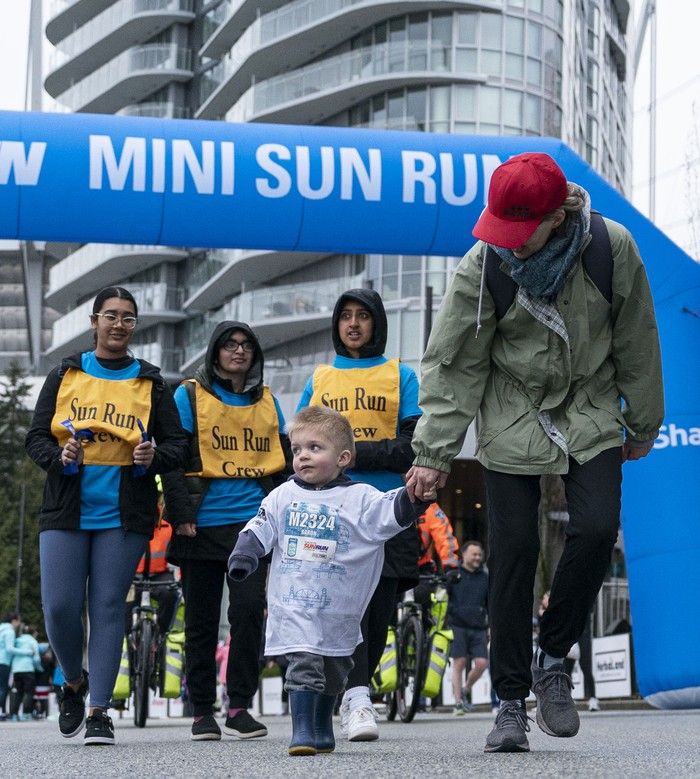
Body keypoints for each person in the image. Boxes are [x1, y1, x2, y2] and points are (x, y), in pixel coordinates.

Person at [406, 152, 664, 753]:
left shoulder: (609, 247)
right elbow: (454, 362)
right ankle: (508, 702)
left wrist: (644, 419)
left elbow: (637, 335)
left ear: (557, 216)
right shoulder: (486, 264)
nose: (509, 247)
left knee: (598, 530)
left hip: (590, 406)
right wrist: (434, 452)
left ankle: (554, 657)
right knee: (516, 550)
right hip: (510, 412)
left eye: (522, 235)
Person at [25, 285, 188, 746]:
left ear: (135, 326)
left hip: (126, 511)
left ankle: (99, 709)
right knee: (58, 607)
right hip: (66, 507)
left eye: (128, 318)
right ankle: (73, 682)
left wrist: (151, 456)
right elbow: (36, 438)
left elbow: (177, 448)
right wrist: (61, 456)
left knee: (108, 606)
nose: (119, 324)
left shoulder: (152, 382)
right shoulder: (65, 373)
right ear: (94, 321)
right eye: (111, 316)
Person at [227, 406, 432, 756]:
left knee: (335, 671)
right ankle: (302, 730)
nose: (303, 456)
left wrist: (413, 497)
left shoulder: (360, 498)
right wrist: (244, 555)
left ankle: (323, 728)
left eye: (314, 448)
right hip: (294, 605)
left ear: (344, 457)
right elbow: (260, 527)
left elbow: (389, 511)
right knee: (304, 665)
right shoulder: (282, 496)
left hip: (340, 610)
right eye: (297, 450)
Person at [297, 288, 421, 741]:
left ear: (377, 324)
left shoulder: (400, 375)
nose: (353, 324)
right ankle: (355, 698)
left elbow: (409, 447)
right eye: (345, 315)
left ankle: (355, 693)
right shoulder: (321, 377)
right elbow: (303, 447)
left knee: (380, 610)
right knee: (340, 610)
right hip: (329, 509)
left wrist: (345, 454)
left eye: (362, 316)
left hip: (385, 508)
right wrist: (339, 457)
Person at [163, 321, 290, 742]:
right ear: (215, 352)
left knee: (250, 613)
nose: (238, 351)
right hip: (199, 524)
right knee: (199, 621)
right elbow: (174, 457)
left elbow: (284, 463)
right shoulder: (189, 394)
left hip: (252, 527)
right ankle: (201, 710)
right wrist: (180, 513)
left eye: (246, 345)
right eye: (230, 345)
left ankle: (238, 705)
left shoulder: (268, 402)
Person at [447, 541, 489, 715]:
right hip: (457, 625)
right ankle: (457, 703)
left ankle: (465, 689)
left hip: (479, 626)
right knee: (460, 662)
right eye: (474, 554)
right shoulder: (453, 575)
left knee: (481, 663)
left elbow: (490, 603)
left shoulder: (486, 577)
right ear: (463, 555)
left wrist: (491, 626)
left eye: (480, 554)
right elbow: (444, 598)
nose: (478, 557)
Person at [0, 613, 30, 721]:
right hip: (3, 661)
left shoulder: (1, 629)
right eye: (18, 621)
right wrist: (26, 652)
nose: (19, 624)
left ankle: (2, 711)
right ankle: (2, 712)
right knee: (3, 688)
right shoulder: (9, 631)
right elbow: (9, 648)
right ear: (14, 620)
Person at [10, 624, 41, 721]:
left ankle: (14, 715)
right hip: (28, 669)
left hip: (16, 670)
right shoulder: (33, 641)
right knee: (28, 692)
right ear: (32, 633)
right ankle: (26, 714)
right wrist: (39, 668)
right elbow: (36, 658)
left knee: (18, 692)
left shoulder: (17, 641)